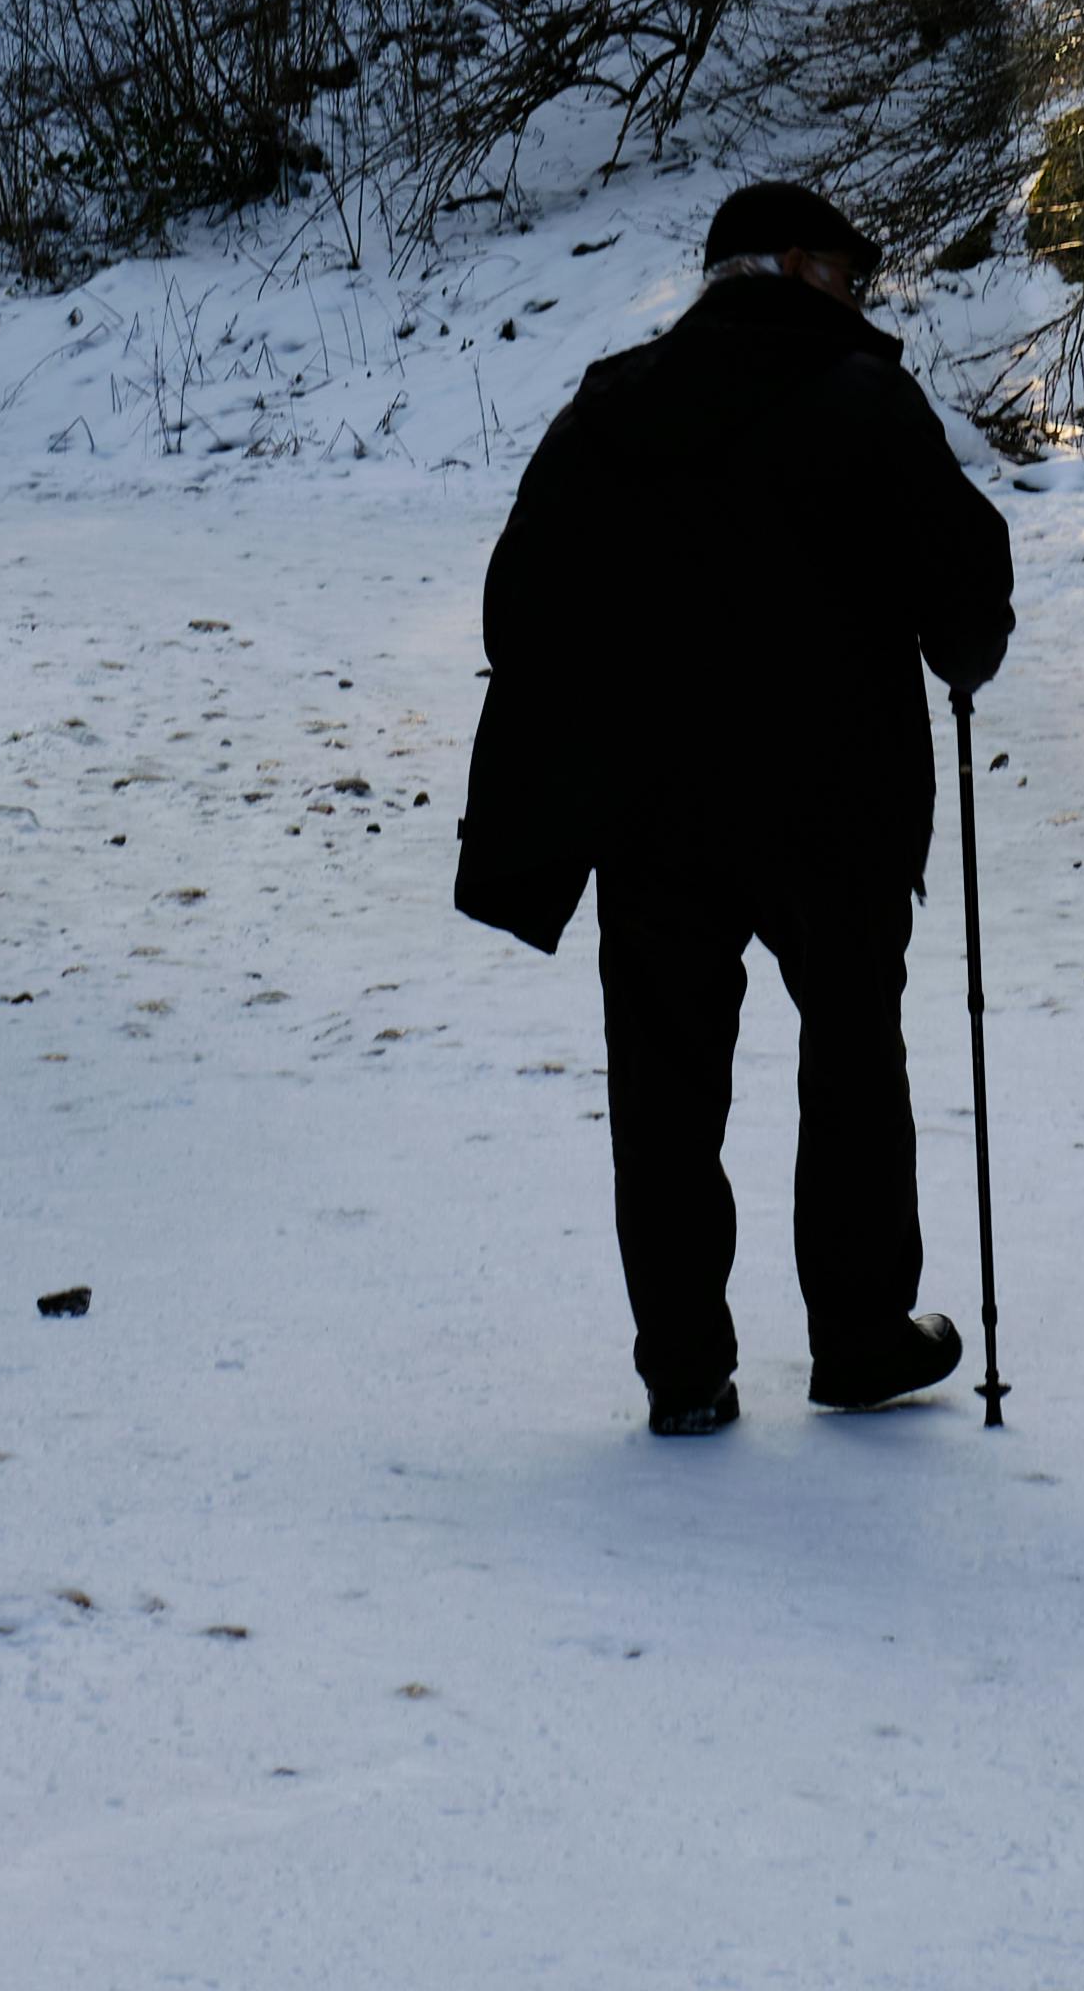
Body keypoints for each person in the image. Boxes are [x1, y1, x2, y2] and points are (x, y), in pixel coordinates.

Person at [457, 179, 1017, 1435]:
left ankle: (682, 1363)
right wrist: (967, 652)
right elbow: (967, 580)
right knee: (855, 1053)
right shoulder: (866, 400)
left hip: (655, 806)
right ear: (794, 269)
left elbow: (518, 606)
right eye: (845, 269)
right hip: (839, 797)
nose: (860, 291)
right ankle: (864, 1334)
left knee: (665, 1077)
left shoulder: (612, 407)